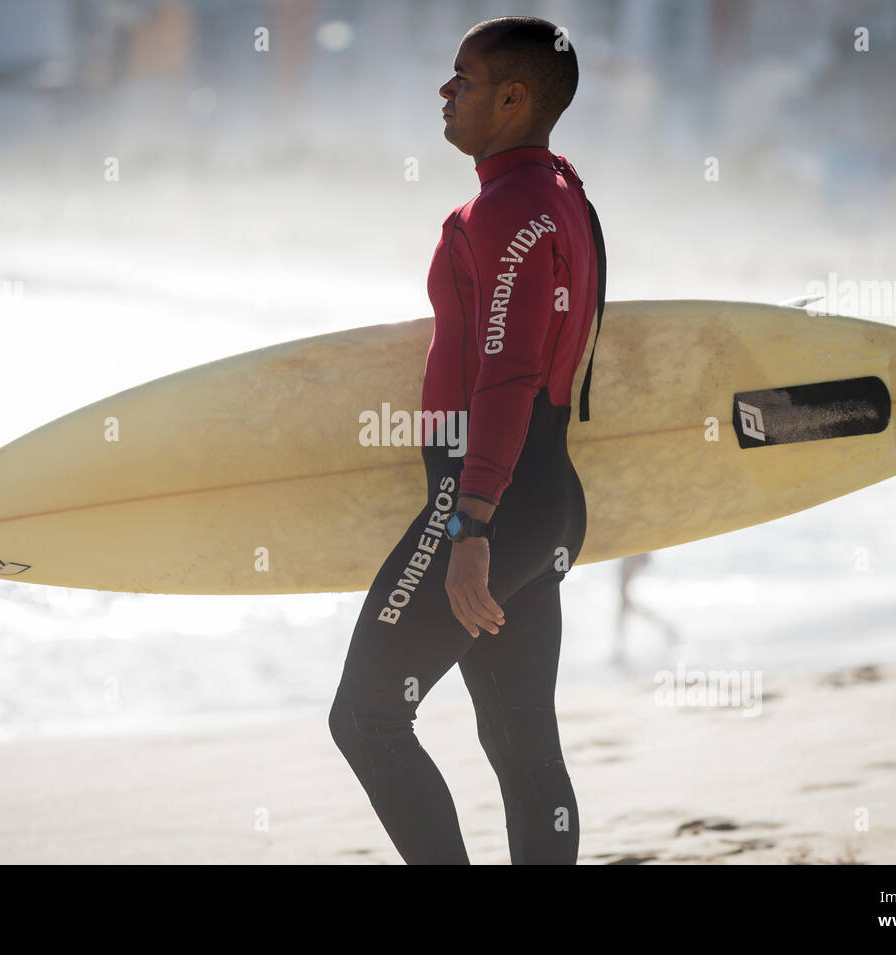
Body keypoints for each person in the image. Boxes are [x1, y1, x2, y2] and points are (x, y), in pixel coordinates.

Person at [329, 15, 602, 865]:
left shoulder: (512, 210)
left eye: (463, 79)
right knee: (522, 744)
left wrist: (471, 525)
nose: (445, 93)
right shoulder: (564, 196)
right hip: (543, 495)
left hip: (492, 502)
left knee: (367, 716)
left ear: (515, 97)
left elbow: (510, 372)